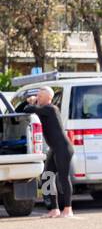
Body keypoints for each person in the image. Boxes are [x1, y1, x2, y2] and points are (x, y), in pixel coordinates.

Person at [15, 86, 73, 218]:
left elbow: (29, 109)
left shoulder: (50, 109)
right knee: (46, 176)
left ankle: (68, 209)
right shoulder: (42, 109)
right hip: (54, 148)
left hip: (63, 148)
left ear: (49, 98)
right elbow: (20, 111)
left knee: (63, 178)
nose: (37, 98)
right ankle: (54, 209)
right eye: (37, 96)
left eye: (40, 96)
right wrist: (27, 101)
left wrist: (31, 102)